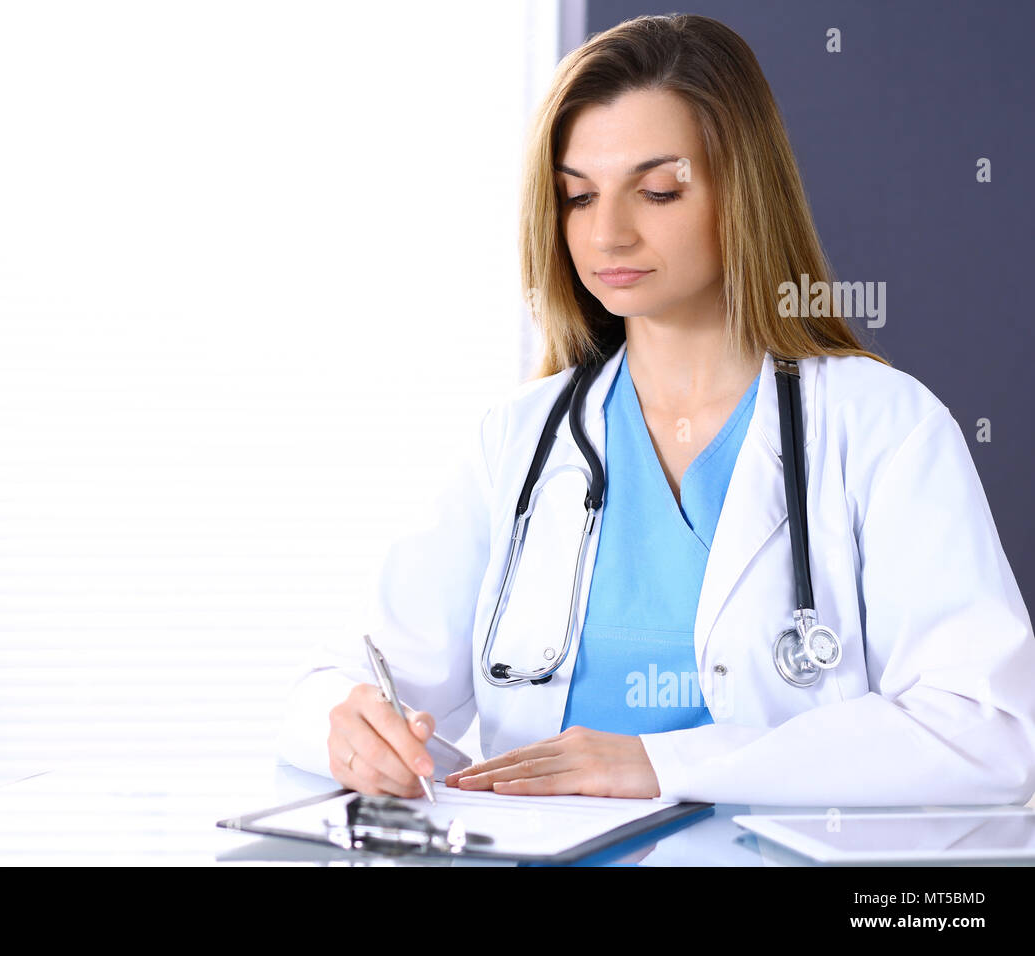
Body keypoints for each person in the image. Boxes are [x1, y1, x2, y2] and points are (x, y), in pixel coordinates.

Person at [276, 14, 1035, 805]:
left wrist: (668, 765)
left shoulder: (883, 428)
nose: (607, 233)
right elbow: (355, 680)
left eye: (658, 191)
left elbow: (988, 730)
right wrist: (348, 724)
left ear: (741, 191)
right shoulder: (519, 440)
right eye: (578, 196)